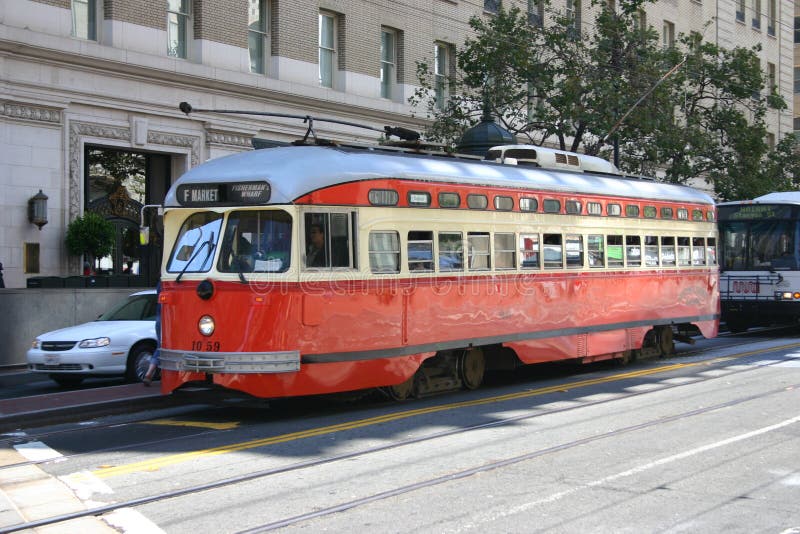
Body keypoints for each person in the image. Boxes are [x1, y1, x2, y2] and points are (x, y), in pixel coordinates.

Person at [143, 281, 161, 386]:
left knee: (160, 346)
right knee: (164, 346)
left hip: (159, 317)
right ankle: (149, 373)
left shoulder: (160, 283)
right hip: (167, 317)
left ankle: (150, 373)